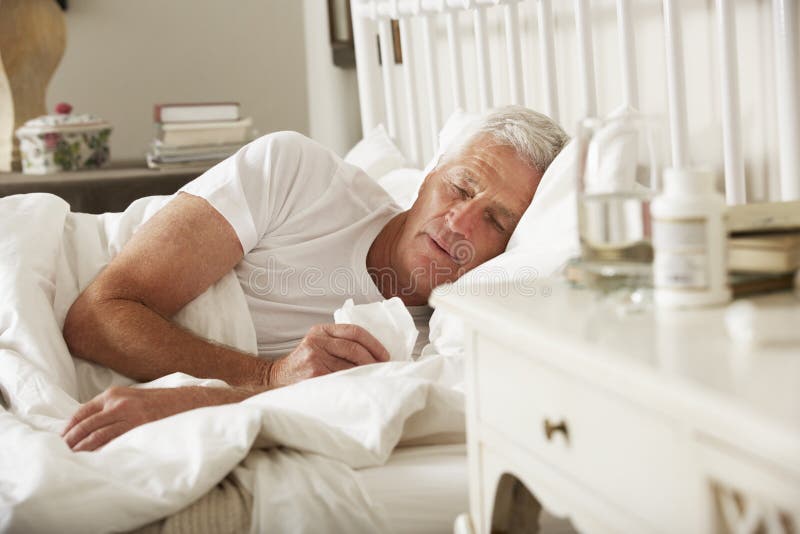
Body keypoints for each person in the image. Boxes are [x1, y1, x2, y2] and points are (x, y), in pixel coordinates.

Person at [60, 105, 569, 451]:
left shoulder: (436, 353)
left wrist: (208, 398)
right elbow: (95, 314)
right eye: (460, 187)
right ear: (430, 173)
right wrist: (267, 377)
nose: (460, 222)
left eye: (497, 221)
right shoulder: (296, 174)